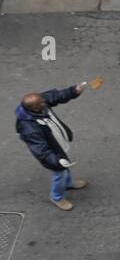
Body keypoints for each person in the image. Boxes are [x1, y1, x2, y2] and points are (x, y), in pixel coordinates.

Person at [15, 84, 87, 212]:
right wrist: (56, 161)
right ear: (34, 108)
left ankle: (68, 183)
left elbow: (55, 96)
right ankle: (57, 197)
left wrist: (73, 91)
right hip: (52, 154)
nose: (45, 102)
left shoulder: (39, 104)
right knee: (60, 173)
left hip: (58, 145)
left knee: (66, 164)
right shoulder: (29, 128)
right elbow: (40, 150)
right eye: (41, 103)